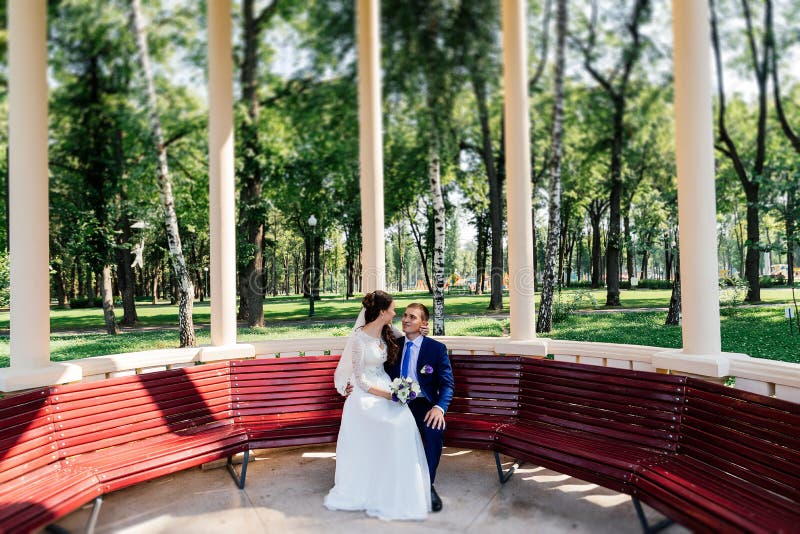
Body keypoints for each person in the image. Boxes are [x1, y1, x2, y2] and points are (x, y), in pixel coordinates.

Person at [324, 291, 431, 520]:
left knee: (403, 421)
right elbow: (360, 379)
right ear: (382, 312)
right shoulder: (358, 338)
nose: (396, 313)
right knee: (386, 424)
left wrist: (423, 330)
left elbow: (409, 336)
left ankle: (398, 482)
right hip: (366, 394)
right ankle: (371, 484)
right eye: (393, 309)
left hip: (386, 386)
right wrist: (389, 395)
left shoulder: (388, 331)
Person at [386, 303, 453, 512]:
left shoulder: (435, 348)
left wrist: (439, 408)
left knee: (434, 429)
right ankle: (391, 483)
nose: (406, 319)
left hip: (423, 402)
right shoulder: (394, 345)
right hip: (396, 401)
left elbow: (447, 384)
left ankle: (427, 485)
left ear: (424, 323)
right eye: (405, 315)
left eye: (412, 317)